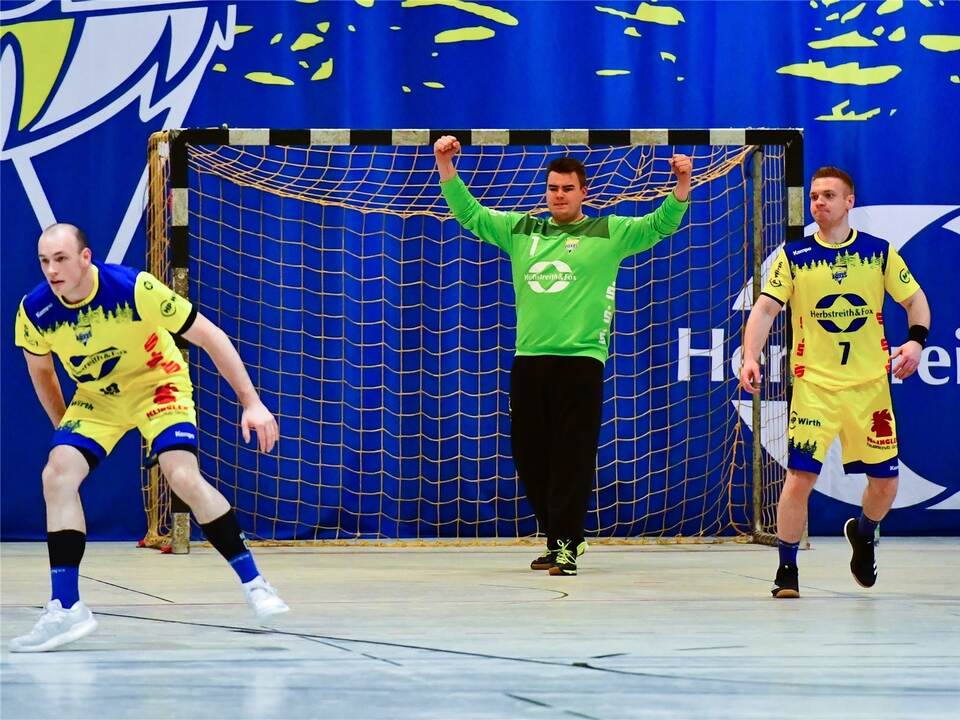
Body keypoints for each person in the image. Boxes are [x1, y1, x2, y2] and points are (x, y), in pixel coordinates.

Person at [10, 223, 289, 652]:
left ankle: (256, 583)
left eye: (61, 259)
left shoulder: (133, 289)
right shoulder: (35, 311)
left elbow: (210, 336)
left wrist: (251, 402)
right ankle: (66, 608)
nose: (52, 270)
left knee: (182, 477)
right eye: (44, 261)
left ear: (86, 258)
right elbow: (41, 372)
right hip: (97, 399)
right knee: (57, 475)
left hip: (158, 383)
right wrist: (65, 429)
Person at [434, 136, 692, 575]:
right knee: (530, 456)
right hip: (530, 361)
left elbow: (658, 225)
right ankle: (560, 538)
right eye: (553, 188)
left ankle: (567, 546)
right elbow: (471, 214)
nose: (559, 195)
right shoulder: (522, 231)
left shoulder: (609, 232)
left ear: (583, 192)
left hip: (581, 362)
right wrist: (444, 164)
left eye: (567, 189)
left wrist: (682, 183)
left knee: (571, 456)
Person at [739, 167, 930, 598]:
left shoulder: (878, 254)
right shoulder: (793, 257)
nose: (819, 203)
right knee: (798, 479)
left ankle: (864, 533)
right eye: (814, 196)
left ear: (850, 202)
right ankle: (786, 569)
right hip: (814, 389)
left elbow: (915, 300)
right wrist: (751, 356)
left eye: (829, 195)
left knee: (886, 485)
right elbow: (766, 310)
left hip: (869, 388)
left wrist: (916, 343)